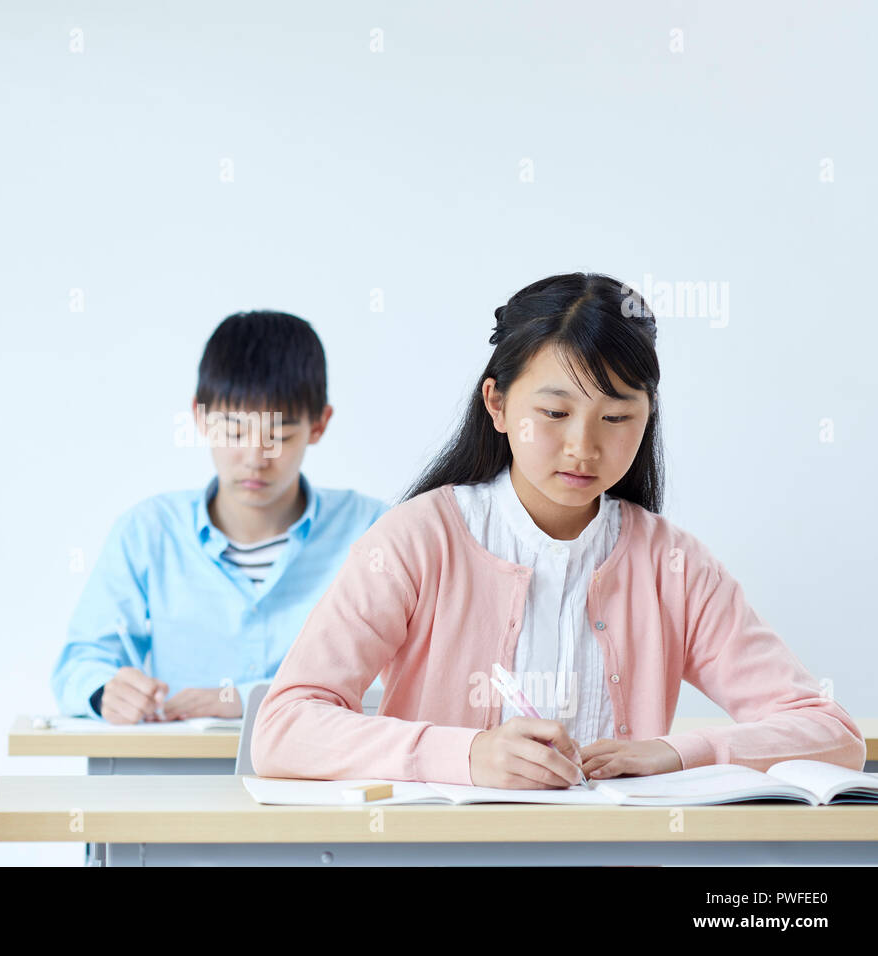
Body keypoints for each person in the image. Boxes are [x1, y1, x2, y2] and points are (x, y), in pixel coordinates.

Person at [251, 272, 865, 786]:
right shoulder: (418, 541)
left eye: (617, 416)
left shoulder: (672, 564)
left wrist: (680, 753)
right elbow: (284, 728)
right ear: (497, 404)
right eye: (554, 412)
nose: (583, 446)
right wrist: (464, 756)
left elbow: (832, 733)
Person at [51, 310, 388, 723]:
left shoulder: (372, 531)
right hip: (174, 778)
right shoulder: (147, 531)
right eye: (233, 432)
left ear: (319, 425)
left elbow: (400, 677)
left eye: (278, 437)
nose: (253, 459)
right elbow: (81, 662)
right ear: (199, 417)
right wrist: (106, 692)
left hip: (320, 783)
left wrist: (245, 700)